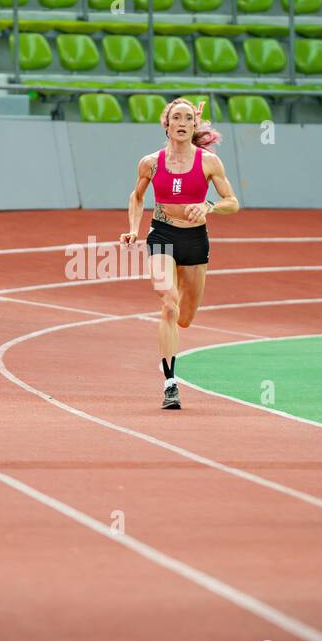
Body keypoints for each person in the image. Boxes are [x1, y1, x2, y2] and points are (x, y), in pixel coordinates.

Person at [120, 98, 240, 409]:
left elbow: (233, 202)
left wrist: (209, 206)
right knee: (168, 303)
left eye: (189, 117)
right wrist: (134, 228)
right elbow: (136, 196)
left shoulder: (208, 162)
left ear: (194, 125)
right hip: (162, 233)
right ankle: (170, 382)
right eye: (177, 117)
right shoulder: (151, 162)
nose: (183, 122)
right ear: (167, 124)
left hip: (195, 240)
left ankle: (170, 346)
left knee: (185, 317)